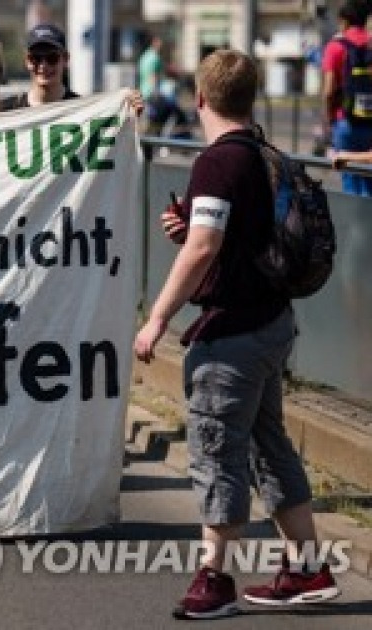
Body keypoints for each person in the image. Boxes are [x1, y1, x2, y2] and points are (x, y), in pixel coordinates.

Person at [134, 49, 341, 620]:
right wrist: (191, 231)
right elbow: (223, 239)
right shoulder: (262, 153)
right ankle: (307, 568)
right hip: (273, 323)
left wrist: (156, 318)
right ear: (249, 98)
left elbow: (205, 246)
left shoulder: (216, 163)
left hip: (233, 334)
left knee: (216, 449)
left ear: (200, 98)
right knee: (270, 448)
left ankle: (214, 580)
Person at [322, 0, 372, 196]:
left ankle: (356, 225)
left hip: (345, 120)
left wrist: (330, 119)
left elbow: (328, 90)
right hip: (370, 122)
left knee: (350, 179)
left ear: (343, 21)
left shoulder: (335, 47)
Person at [0, 24, 80, 110]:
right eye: (36, 58)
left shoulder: (82, 109)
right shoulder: (6, 111)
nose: (43, 66)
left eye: (52, 58)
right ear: (27, 61)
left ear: (65, 60)